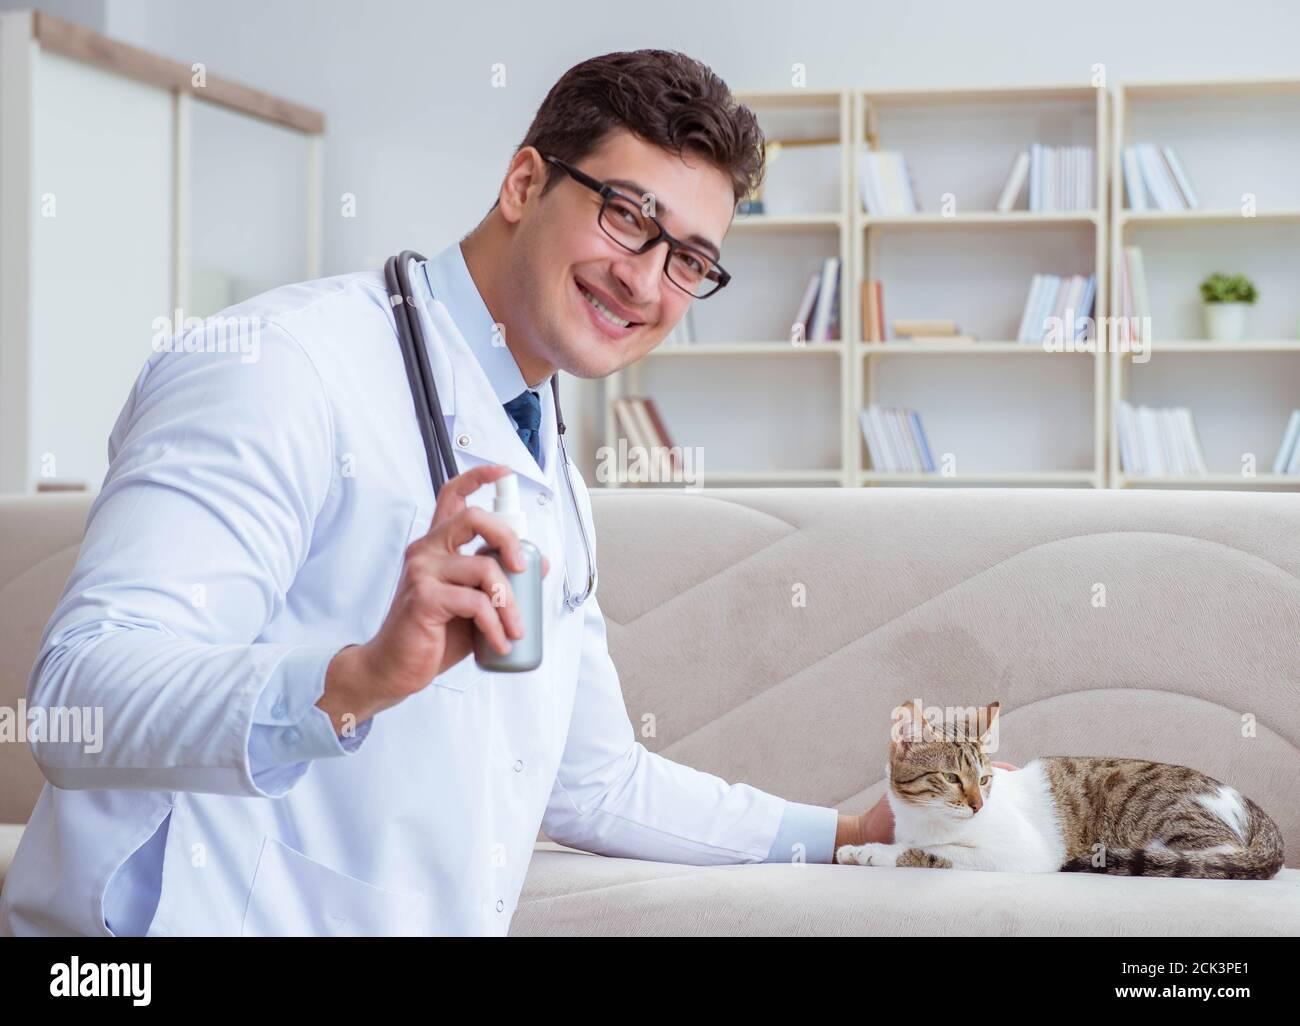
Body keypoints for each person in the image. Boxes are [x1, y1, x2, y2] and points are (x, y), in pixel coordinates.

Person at [0, 49, 1007, 937]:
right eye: (626, 217)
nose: (648, 283)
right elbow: (76, 701)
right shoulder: (280, 367)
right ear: (525, 182)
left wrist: (842, 834)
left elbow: (592, 779)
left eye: (690, 259)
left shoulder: (544, 467)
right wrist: (350, 681)